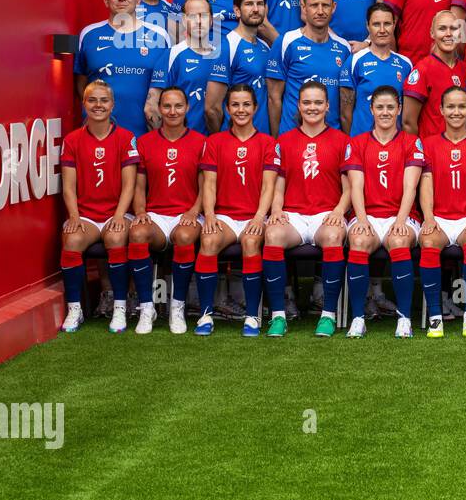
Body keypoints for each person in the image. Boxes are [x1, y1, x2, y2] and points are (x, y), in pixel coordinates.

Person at [261, 82, 352, 339]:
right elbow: (279, 185)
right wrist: (276, 210)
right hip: (295, 215)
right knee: (273, 235)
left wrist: (338, 211)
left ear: (327, 106)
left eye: (317, 103)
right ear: (299, 106)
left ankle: (328, 315)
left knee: (334, 236)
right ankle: (278, 316)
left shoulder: (341, 140)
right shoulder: (285, 141)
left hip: (327, 213)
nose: (312, 107)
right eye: (307, 103)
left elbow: (349, 188)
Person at [194, 84, 279, 337]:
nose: (241, 110)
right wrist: (209, 215)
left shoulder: (268, 143)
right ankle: (206, 313)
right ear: (227, 109)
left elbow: (269, 186)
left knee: (251, 241)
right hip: (225, 217)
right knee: (208, 240)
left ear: (255, 108)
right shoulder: (215, 142)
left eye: (246, 105)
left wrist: (258, 217)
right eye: (235, 105)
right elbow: (208, 184)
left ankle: (251, 315)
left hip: (255, 215)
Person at [342, 86, 425, 340]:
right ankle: (357, 318)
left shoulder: (411, 142)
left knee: (399, 241)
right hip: (368, 213)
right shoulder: (357, 143)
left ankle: (404, 318)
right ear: (371, 110)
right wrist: (362, 219)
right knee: (358, 239)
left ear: (399, 109)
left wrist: (400, 220)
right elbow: (356, 185)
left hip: (401, 213)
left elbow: (411, 186)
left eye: (391, 107)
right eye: (380, 107)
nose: (385, 112)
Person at [58, 81, 139, 334]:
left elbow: (130, 185)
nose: (98, 106)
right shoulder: (72, 140)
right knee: (71, 240)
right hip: (87, 215)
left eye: (104, 100)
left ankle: (119, 307)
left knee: (116, 236)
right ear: (84, 104)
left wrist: (118, 215)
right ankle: (75, 309)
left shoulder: (126, 138)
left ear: (112, 104)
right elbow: (68, 186)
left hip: (118, 212)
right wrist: (74, 216)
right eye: (92, 100)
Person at [417, 86, 466, 339]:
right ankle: (434, 317)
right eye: (450, 107)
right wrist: (429, 218)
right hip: (440, 216)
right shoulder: (428, 144)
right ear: (441, 110)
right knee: (428, 241)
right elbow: (426, 184)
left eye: (462, 106)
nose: (456, 112)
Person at [128, 86, 205, 335]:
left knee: (184, 237)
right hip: (158, 216)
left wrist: (194, 211)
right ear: (159, 109)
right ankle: (147, 307)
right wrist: (140, 212)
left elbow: (207, 186)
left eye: (178, 106)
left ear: (187, 108)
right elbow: (139, 186)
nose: (173, 111)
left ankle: (177, 306)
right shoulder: (145, 142)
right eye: (167, 106)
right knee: (138, 233)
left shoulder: (200, 142)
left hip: (189, 214)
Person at [75, 0, 172, 138]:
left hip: (146, 134)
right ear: (106, 0)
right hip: (98, 135)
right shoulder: (89, 34)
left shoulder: (159, 36)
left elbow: (167, 85)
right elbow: (81, 84)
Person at [266, 0, 353, 135]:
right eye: (314, 5)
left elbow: (345, 101)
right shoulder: (286, 42)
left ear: (333, 7)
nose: (320, 11)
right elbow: (274, 97)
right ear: (304, 8)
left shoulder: (344, 48)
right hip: (292, 136)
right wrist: (276, 141)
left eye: (325, 5)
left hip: (331, 138)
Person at [147, 0, 220, 133]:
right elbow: (151, 107)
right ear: (184, 19)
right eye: (192, 16)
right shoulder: (172, 55)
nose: (198, 21)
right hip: (182, 144)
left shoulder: (221, 56)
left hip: (215, 144)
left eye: (203, 16)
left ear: (211, 20)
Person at [206, 0, 273, 135]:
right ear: (237, 11)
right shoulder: (227, 47)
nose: (255, 9)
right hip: (235, 141)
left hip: (262, 139)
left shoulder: (265, 47)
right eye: (249, 4)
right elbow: (212, 108)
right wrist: (223, 141)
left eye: (260, 4)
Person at [342, 3, 413, 137]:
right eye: (376, 24)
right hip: (361, 142)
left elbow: (408, 114)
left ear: (394, 25)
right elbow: (345, 114)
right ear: (367, 26)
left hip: (394, 144)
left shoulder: (406, 64)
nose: (382, 30)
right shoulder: (355, 61)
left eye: (387, 24)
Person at [403, 9, 466, 139]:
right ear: (432, 33)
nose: (448, 34)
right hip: (431, 152)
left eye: (454, 29)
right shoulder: (423, 69)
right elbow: (408, 122)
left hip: (461, 149)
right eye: (442, 29)